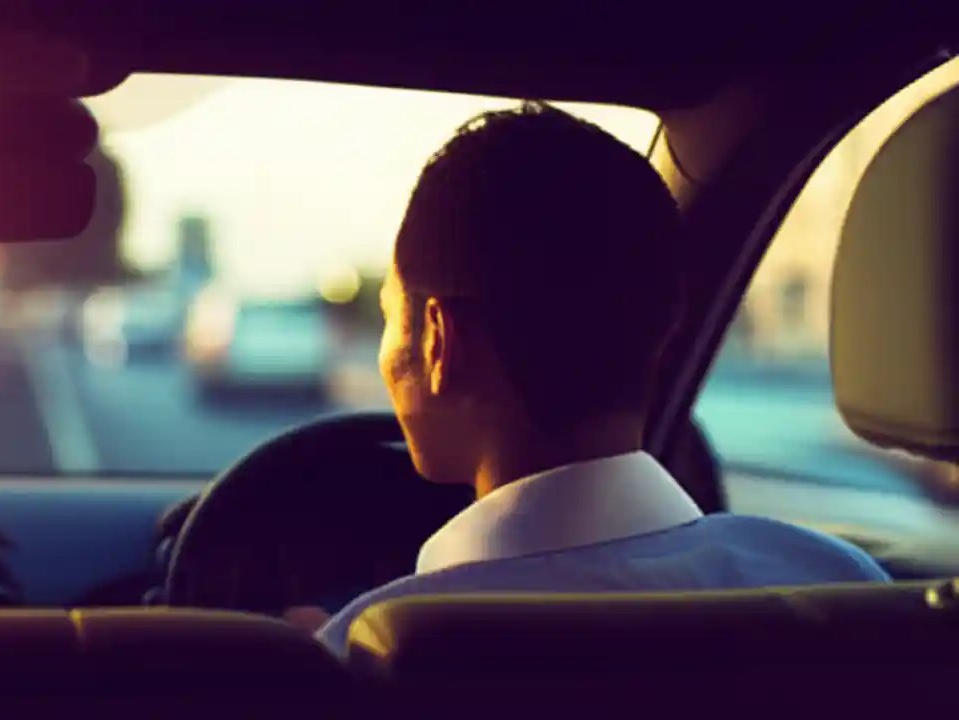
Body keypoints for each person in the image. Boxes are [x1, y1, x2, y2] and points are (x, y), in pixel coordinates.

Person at [284, 102, 889, 653]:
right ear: (664, 323)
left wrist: (308, 660)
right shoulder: (848, 593)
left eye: (393, 315)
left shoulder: (369, 660)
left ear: (440, 342)